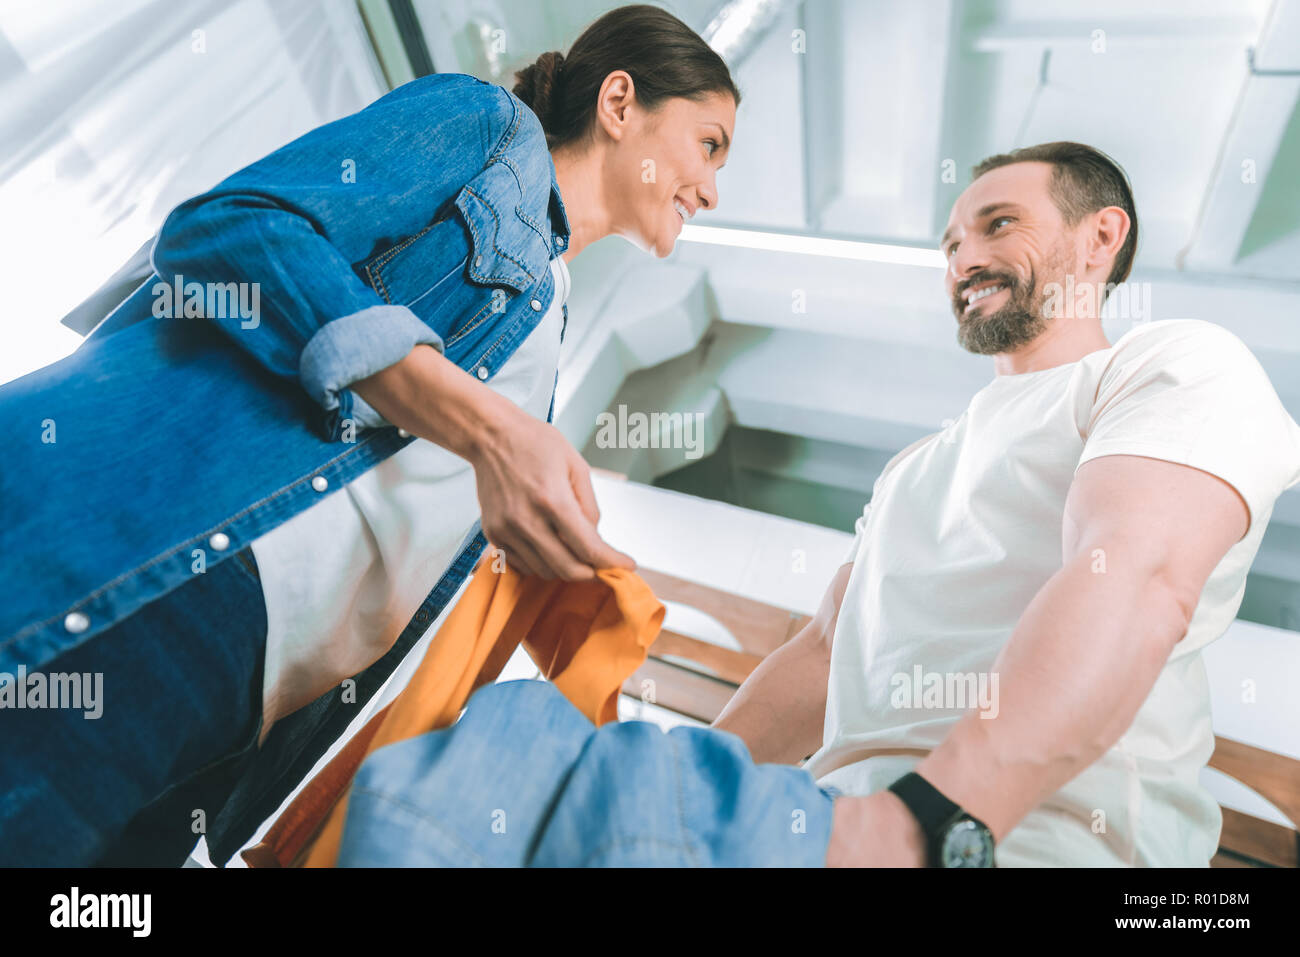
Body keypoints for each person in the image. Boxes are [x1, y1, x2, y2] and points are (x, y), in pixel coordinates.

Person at [347, 142, 1300, 868]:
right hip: (839, 823)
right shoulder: (917, 467)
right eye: (952, 242)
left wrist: (933, 819)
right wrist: (686, 791)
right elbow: (818, 654)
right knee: (490, 759)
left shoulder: (1167, 364)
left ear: (1103, 235)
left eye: (999, 224)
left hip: (1023, 837)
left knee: (502, 768)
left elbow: (1138, 578)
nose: (965, 256)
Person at [0, 4, 738, 866]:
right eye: (710, 144)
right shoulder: (488, 127)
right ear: (620, 103)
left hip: (241, 710)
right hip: (172, 564)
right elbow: (234, 230)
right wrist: (488, 429)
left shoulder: (550, 336)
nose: (714, 189)